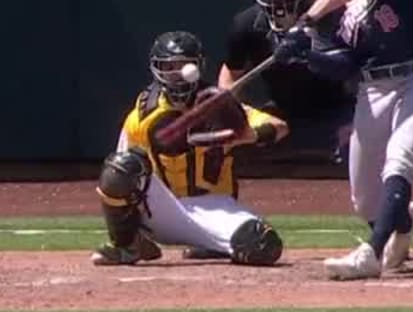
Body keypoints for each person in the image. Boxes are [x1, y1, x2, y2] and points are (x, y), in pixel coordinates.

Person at [271, 0, 413, 280]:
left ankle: (371, 252)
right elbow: (344, 66)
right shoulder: (332, 16)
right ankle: (404, 220)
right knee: (364, 200)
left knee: (398, 162)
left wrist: (305, 21)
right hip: (374, 90)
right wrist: (305, 55)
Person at [91, 30, 285, 267]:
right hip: (162, 209)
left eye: (185, 65)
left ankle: (211, 244)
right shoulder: (144, 114)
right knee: (121, 167)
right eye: (170, 66)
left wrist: (247, 135)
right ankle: (128, 244)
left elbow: (280, 127)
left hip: (214, 207)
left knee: (264, 246)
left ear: (199, 66)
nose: (179, 74)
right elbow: (119, 169)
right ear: (156, 69)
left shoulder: (219, 106)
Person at [220, 0, 356, 163]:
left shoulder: (324, 16)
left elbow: (349, 65)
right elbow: (231, 72)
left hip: (334, 109)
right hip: (283, 112)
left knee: (356, 145)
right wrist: (232, 110)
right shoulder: (247, 24)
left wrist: (308, 54)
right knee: (241, 142)